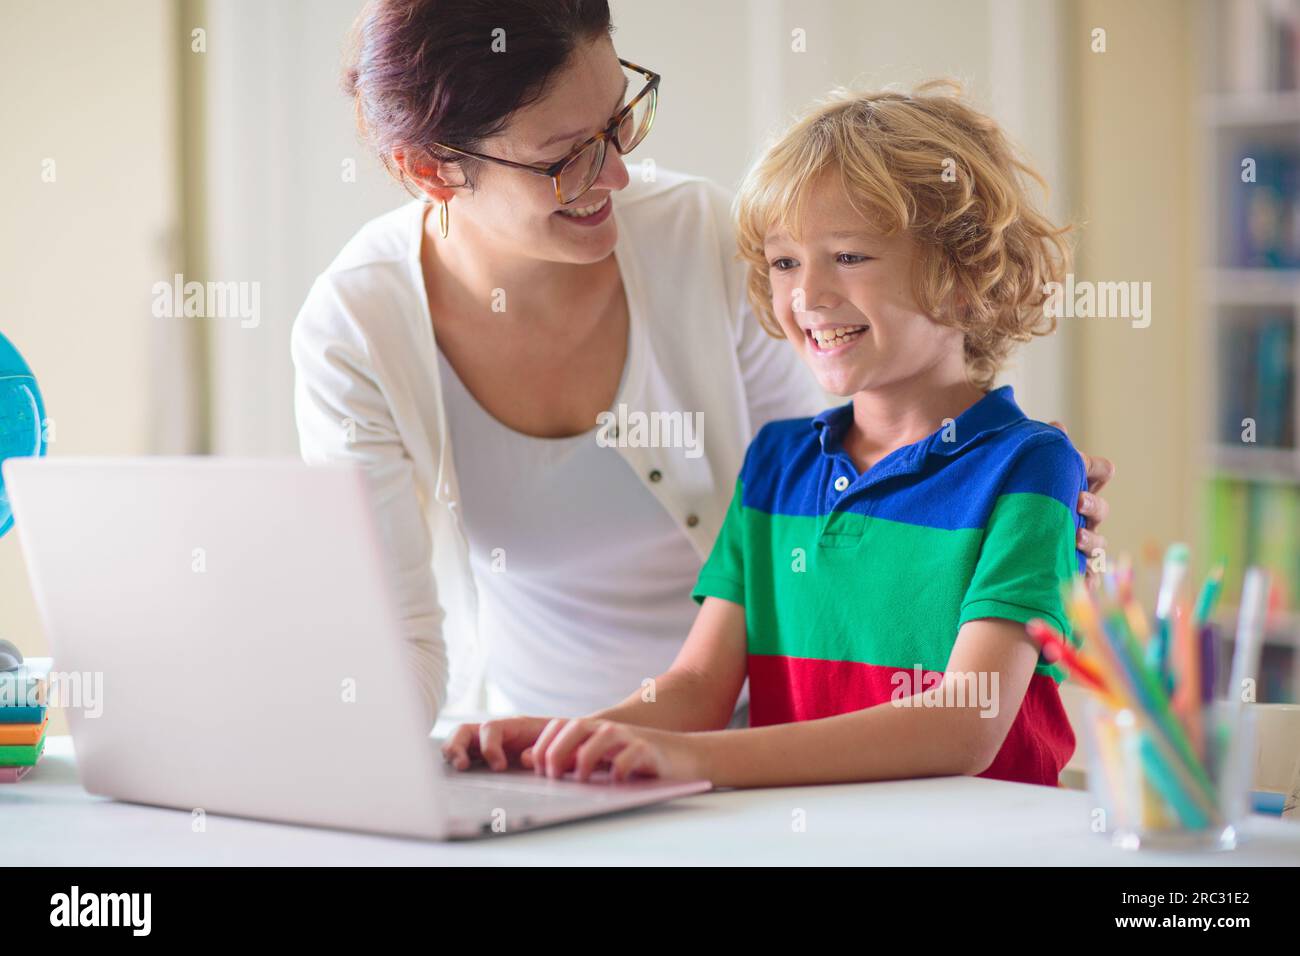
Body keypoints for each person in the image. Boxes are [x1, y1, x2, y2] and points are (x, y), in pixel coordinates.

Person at [291, 0, 1113, 727]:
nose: (615, 172)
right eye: (566, 154)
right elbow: (391, 636)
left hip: (755, 743)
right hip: (566, 750)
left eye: (620, 120)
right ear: (430, 170)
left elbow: (868, 463)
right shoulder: (356, 330)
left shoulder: (700, 239)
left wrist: (1005, 495)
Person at [444, 81, 1094, 787]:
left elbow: (963, 724)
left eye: (849, 256)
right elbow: (697, 686)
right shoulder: (777, 464)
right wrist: (560, 739)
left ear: (966, 274)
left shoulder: (1030, 465)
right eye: (785, 262)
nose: (807, 296)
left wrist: (693, 758)